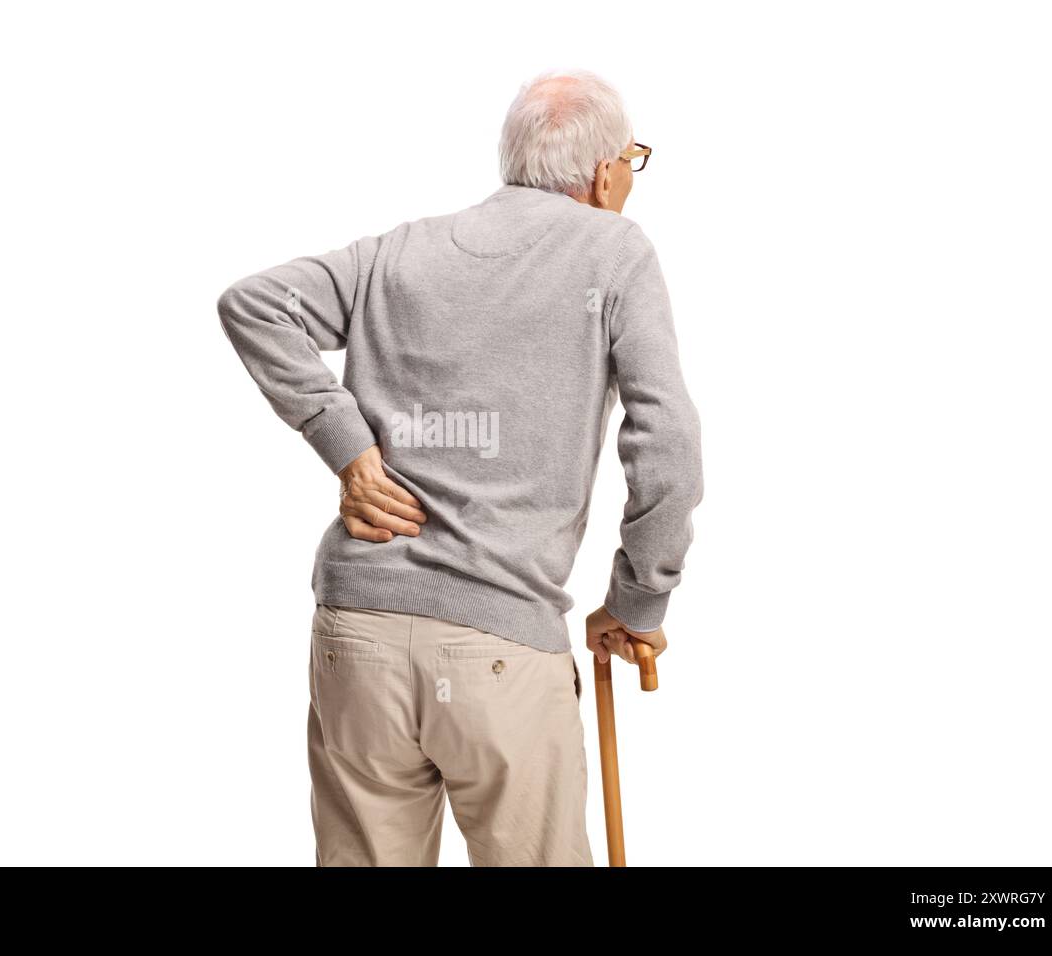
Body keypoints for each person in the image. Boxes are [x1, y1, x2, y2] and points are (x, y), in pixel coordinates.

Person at [217, 70, 703, 866]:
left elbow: (254, 303)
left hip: (358, 638)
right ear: (603, 171)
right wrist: (638, 601)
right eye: (631, 160)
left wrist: (349, 444)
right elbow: (668, 441)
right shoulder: (614, 251)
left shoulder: (400, 250)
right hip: (501, 646)